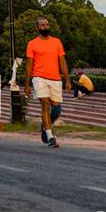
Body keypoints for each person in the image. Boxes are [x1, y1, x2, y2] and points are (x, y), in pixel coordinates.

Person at [26, 16, 71, 147]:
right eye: (42, 25)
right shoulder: (32, 44)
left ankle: (45, 126)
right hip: (39, 77)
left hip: (55, 78)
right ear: (37, 27)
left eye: (47, 24)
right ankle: (50, 137)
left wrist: (67, 79)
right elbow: (29, 65)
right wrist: (27, 84)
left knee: (56, 110)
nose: (45, 27)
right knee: (45, 105)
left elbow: (62, 61)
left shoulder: (57, 42)